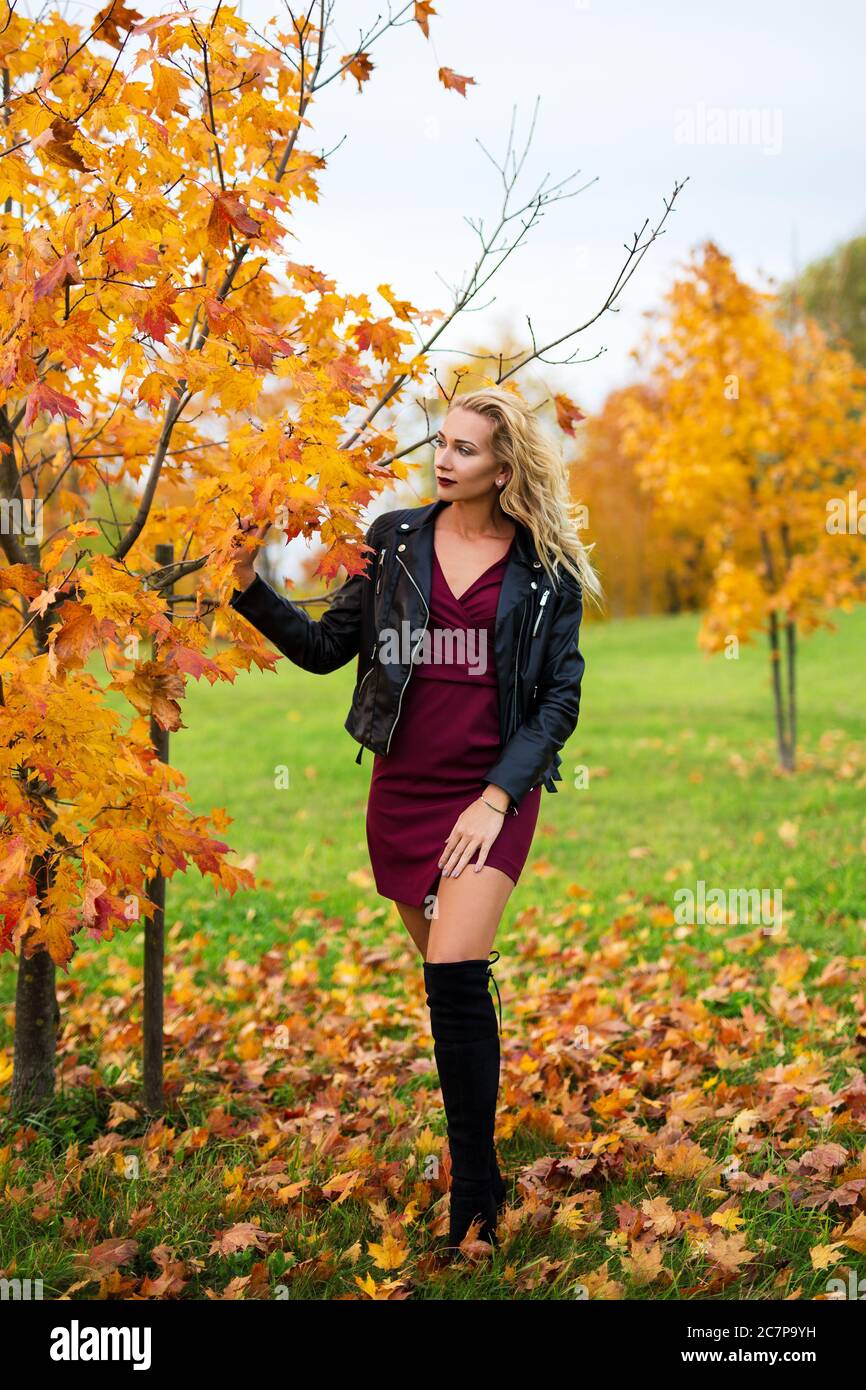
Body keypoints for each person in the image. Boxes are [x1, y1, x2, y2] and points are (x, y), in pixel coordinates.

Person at [226, 386, 601, 1257]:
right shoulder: (394, 541)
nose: (444, 458)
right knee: (448, 987)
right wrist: (250, 586)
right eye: (443, 442)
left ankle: (474, 1193)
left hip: (491, 792)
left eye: (467, 450)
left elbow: (558, 700)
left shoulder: (546, 571)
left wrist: (498, 795)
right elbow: (327, 651)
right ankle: (486, 1166)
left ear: (504, 470)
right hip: (404, 792)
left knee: (458, 972)